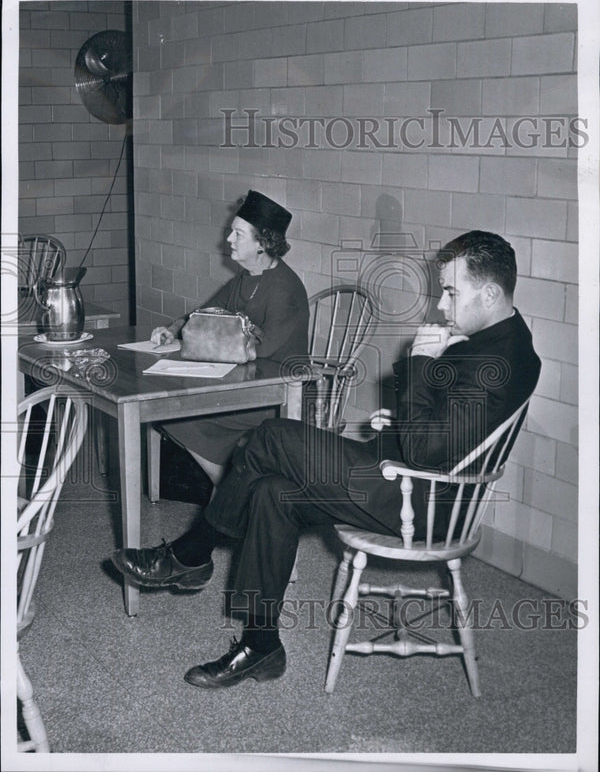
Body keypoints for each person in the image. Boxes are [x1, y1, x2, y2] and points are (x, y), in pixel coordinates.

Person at [111, 230, 541, 690]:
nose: (441, 305)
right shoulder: (497, 342)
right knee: (271, 492)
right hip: (405, 478)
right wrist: (401, 422)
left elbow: (426, 453)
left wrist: (418, 364)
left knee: (272, 436)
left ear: (491, 292)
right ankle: (261, 645)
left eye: (452, 292)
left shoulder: (499, 359)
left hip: (423, 501)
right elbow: (445, 434)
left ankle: (191, 553)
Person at [152, 190, 309, 485]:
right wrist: (172, 330)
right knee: (169, 411)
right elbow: (200, 316)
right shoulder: (244, 278)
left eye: (238, 234)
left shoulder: (285, 289)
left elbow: (257, 350)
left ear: (262, 243)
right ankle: (225, 485)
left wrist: (206, 338)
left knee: (179, 414)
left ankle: (225, 486)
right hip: (245, 384)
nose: (228, 240)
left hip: (279, 394)